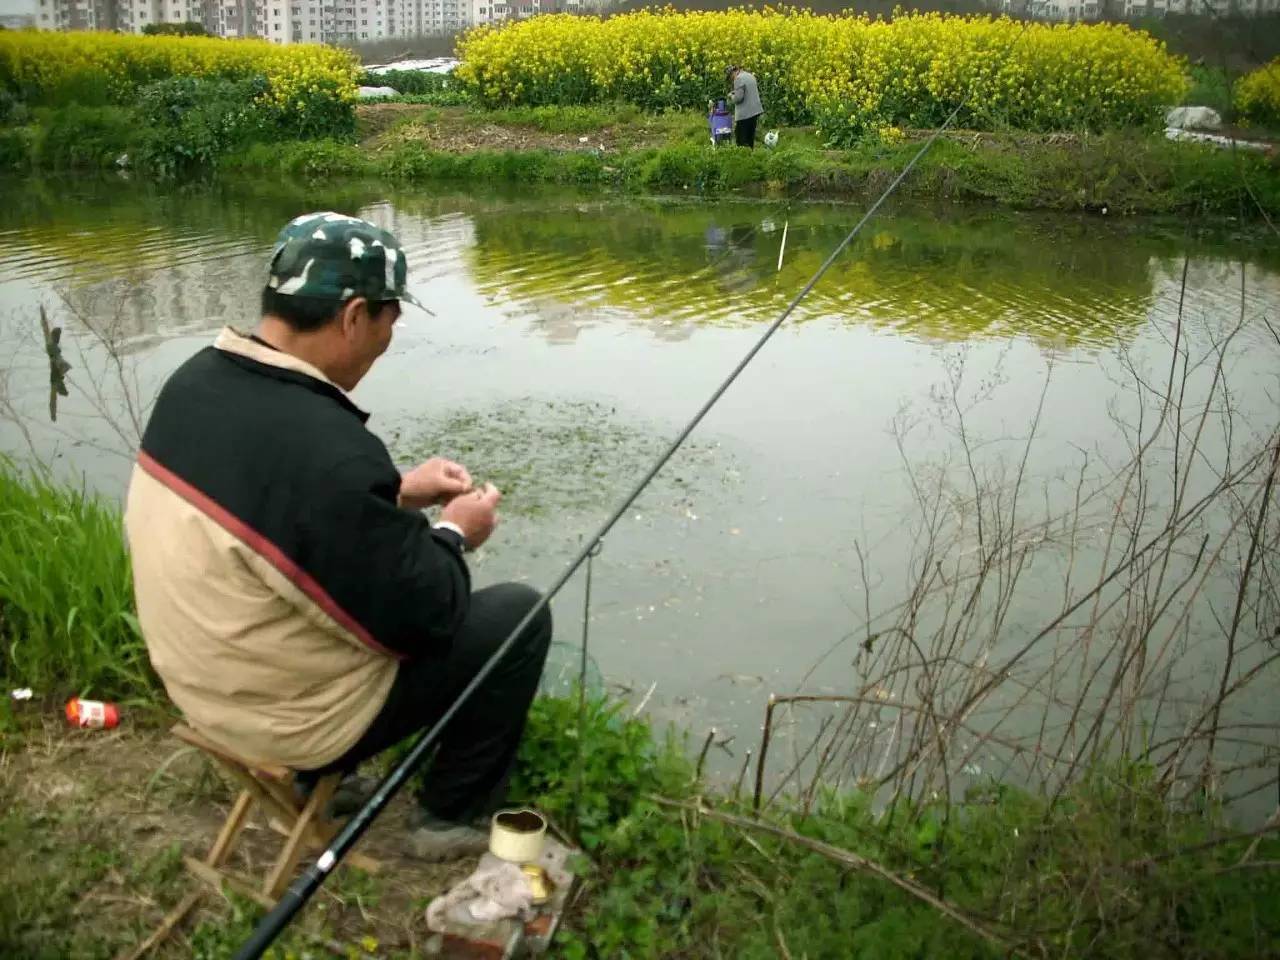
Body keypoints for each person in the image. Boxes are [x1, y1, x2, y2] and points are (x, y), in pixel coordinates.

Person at [124, 211, 553, 862]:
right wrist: (456, 533)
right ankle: (446, 817)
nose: (390, 337)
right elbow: (426, 616)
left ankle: (322, 779)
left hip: (194, 684)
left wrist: (397, 492)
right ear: (354, 316)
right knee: (518, 616)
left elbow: (275, 499)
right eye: (389, 320)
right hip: (282, 720)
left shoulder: (196, 383)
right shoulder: (330, 451)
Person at [726, 64, 764, 149]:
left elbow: (738, 98)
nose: (731, 79)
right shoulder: (749, 75)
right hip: (754, 111)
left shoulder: (738, 79)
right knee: (750, 138)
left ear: (733, 73)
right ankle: (750, 157)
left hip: (745, 114)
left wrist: (731, 96)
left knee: (741, 140)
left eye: (730, 77)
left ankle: (743, 159)